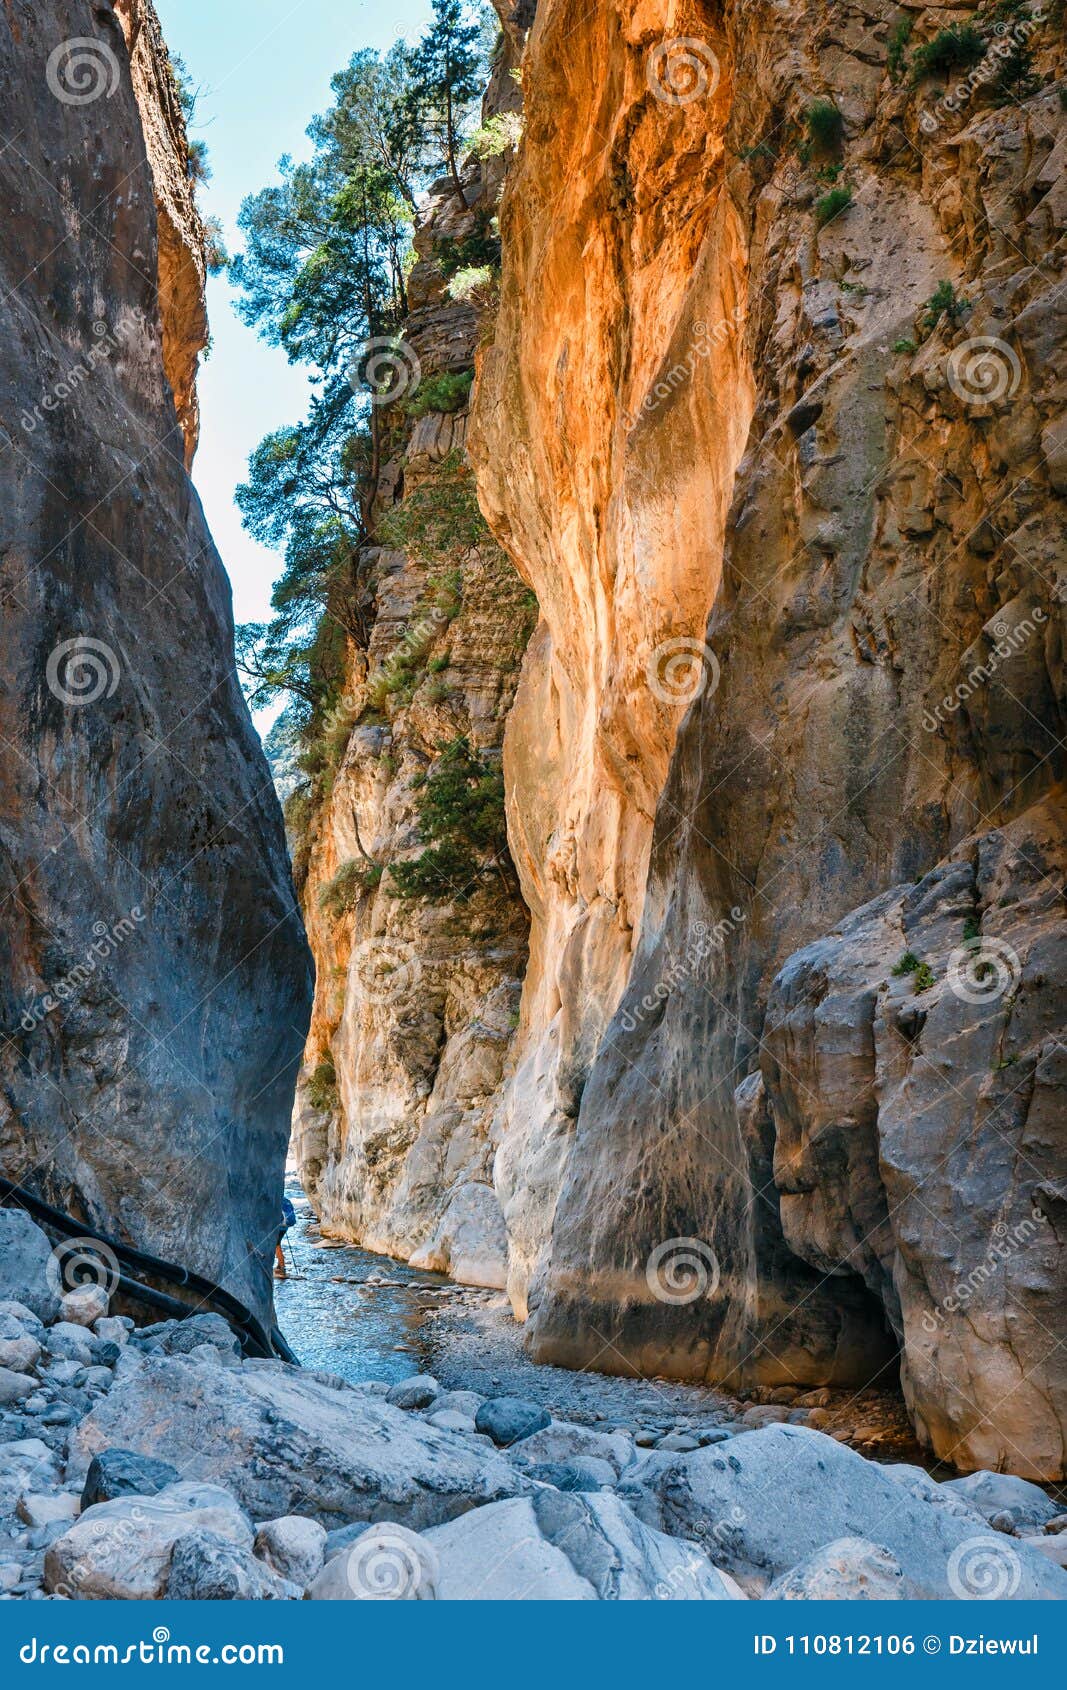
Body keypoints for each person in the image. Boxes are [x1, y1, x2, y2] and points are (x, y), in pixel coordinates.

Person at [274, 1194, 296, 1280]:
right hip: (285, 1227)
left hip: (278, 1227)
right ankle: (280, 1265)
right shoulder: (286, 1200)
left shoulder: (276, 1200)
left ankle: (282, 1267)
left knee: (276, 1245)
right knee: (277, 1245)